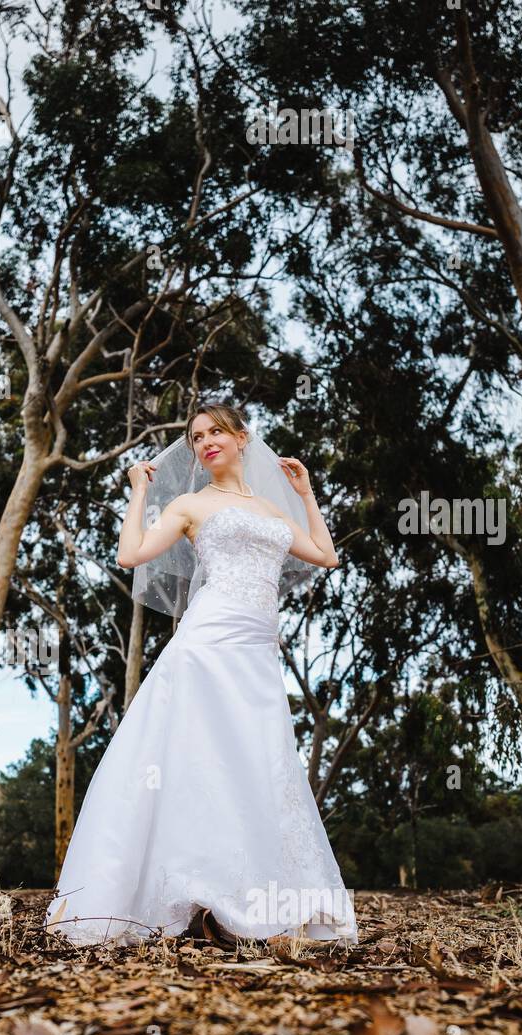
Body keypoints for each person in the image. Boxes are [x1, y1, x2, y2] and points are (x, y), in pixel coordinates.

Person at [44, 401, 358, 949]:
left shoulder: (271, 509)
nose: (205, 441)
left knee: (257, 764)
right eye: (195, 437)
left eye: (216, 431)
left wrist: (306, 494)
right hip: (206, 643)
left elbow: (326, 556)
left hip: (257, 651)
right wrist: (139, 490)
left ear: (242, 438)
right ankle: (183, 894)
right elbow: (130, 554)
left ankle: (252, 898)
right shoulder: (190, 505)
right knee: (192, 761)